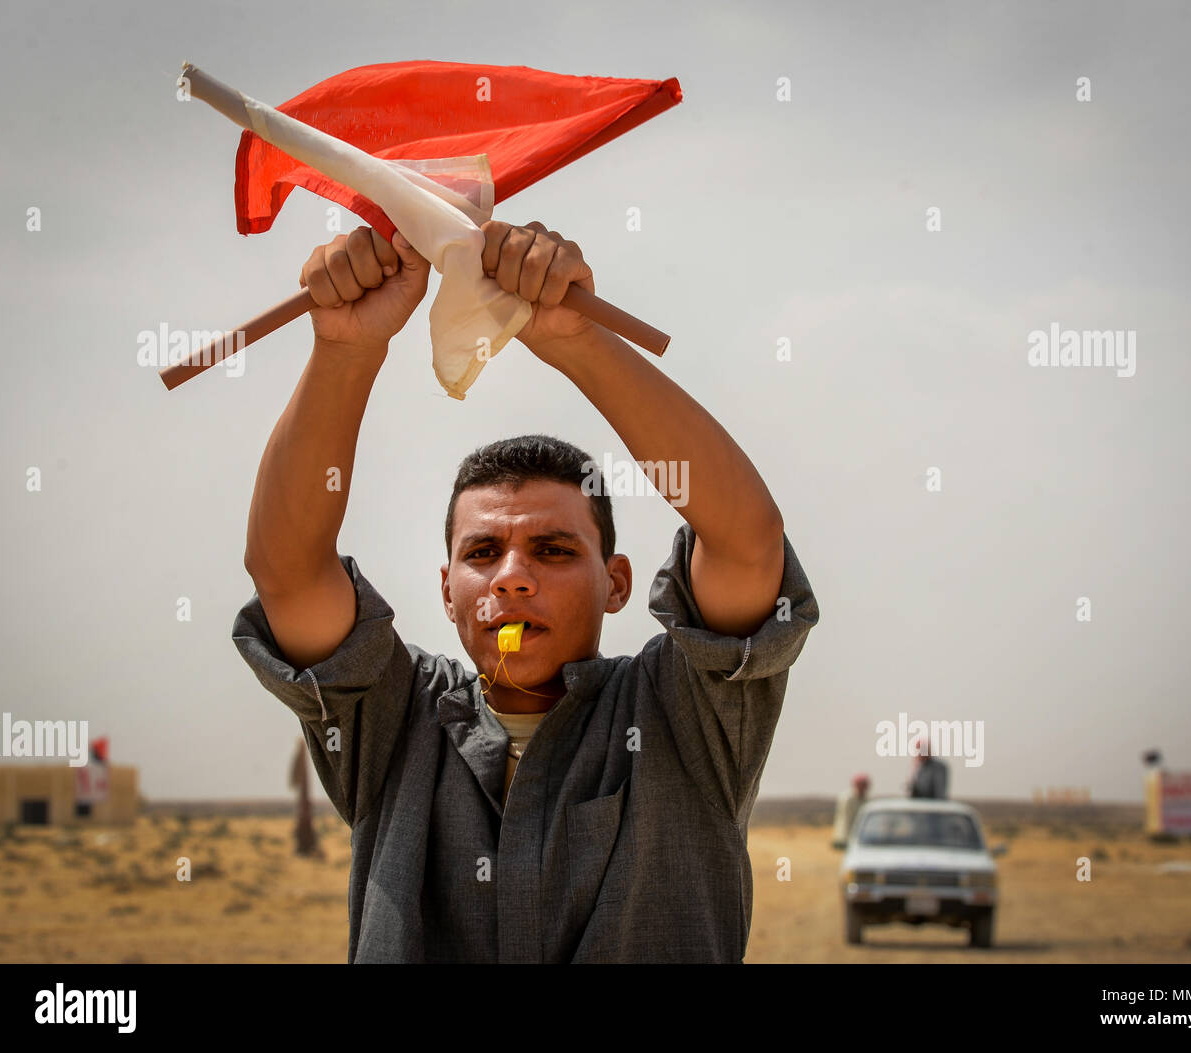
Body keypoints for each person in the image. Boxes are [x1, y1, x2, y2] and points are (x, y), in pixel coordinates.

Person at [232, 222, 819, 963]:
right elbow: (285, 569)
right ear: (447, 592)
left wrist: (575, 339)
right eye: (483, 552)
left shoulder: (680, 715)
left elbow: (746, 540)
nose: (513, 574)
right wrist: (344, 351)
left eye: (553, 549)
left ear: (617, 583)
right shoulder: (394, 718)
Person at [832, 774, 869, 849]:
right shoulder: (847, 799)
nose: (863, 788)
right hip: (845, 837)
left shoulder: (866, 799)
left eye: (865, 785)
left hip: (861, 838)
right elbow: (847, 820)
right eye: (861, 785)